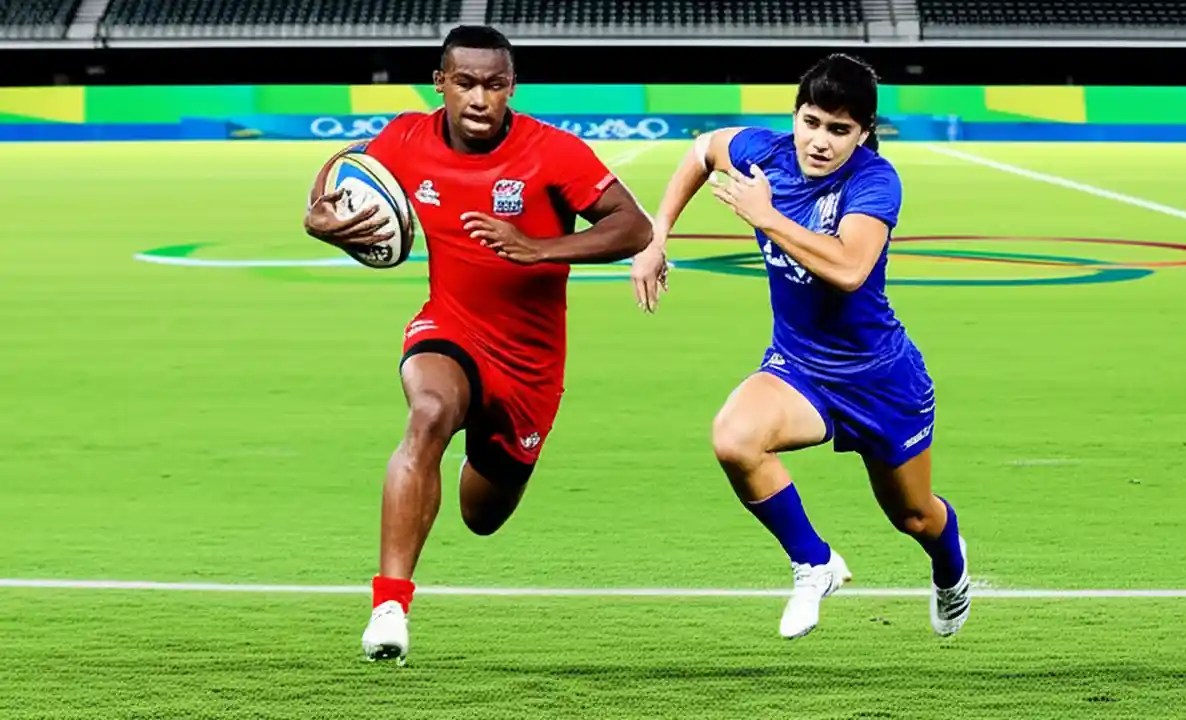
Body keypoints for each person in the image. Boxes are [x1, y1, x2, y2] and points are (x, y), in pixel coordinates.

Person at [303, 25, 652, 664]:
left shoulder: (555, 154)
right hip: (449, 328)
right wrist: (316, 212)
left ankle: (479, 455)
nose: (479, 99)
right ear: (441, 83)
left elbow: (634, 225)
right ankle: (389, 606)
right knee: (430, 413)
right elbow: (349, 161)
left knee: (482, 516)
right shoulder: (406, 137)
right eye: (464, 82)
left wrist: (539, 248)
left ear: (511, 87)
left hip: (529, 368)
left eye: (495, 84)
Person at [629, 53, 969, 640]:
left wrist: (766, 215)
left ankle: (951, 568)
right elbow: (702, 149)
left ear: (864, 134)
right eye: (811, 122)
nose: (819, 141)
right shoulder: (766, 153)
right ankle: (814, 564)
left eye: (839, 130)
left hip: (881, 380)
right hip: (800, 368)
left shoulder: (873, 181)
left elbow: (849, 268)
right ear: (795, 115)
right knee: (734, 438)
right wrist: (658, 233)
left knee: (914, 515)